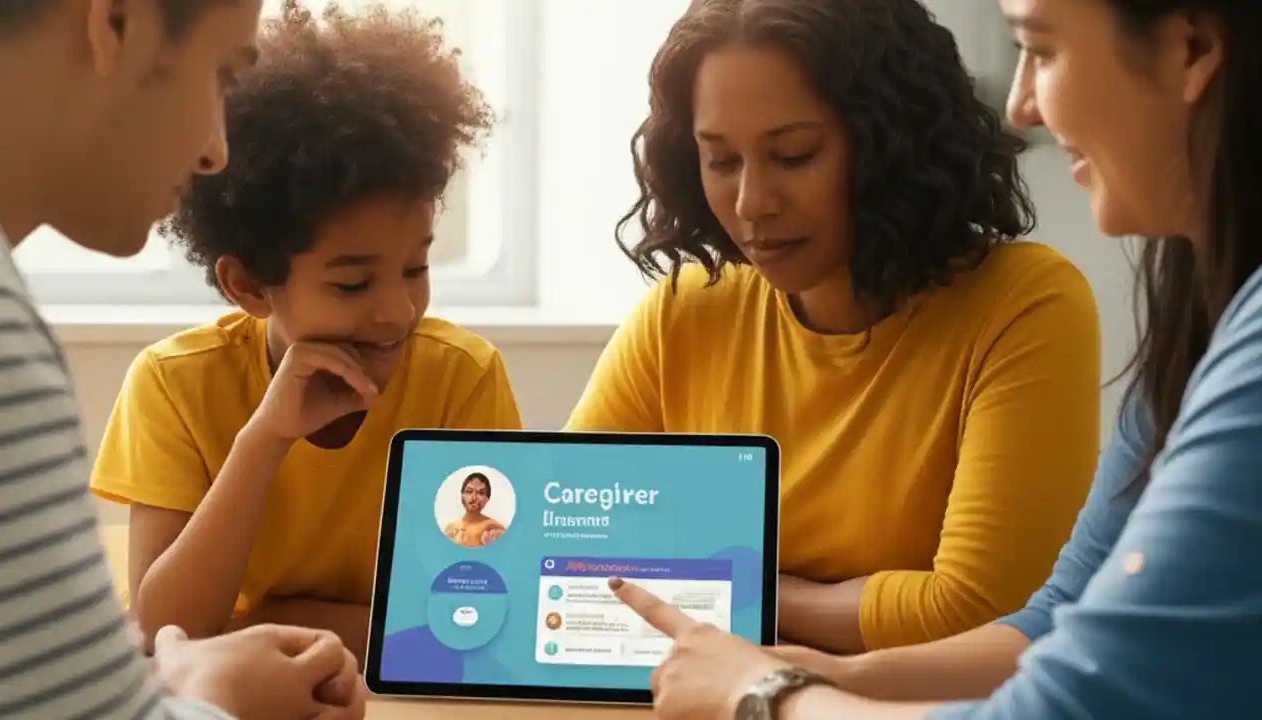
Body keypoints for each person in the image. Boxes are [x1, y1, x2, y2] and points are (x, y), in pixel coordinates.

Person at [610, 0, 1262, 717]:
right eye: (721, 159)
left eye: (1042, 50)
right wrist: (830, 674)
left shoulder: (1039, 304)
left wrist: (766, 692)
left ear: (1191, 50)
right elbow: (1055, 626)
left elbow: (1060, 693)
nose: (1021, 104)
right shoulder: (1201, 326)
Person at [567, 0, 1101, 653]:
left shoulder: (1025, 304)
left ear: (891, 145)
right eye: (722, 161)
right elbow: (567, 551)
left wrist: (727, 588)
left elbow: (980, 612)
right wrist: (823, 604)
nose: (752, 203)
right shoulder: (684, 312)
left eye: (794, 155)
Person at [88, 0, 522, 664]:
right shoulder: (173, 384)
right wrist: (265, 438)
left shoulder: (461, 377)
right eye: (353, 284)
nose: (399, 311)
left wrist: (269, 620)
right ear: (249, 286)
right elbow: (163, 632)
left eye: (415, 268)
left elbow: (475, 621)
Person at [0, 0, 364, 718]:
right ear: (115, 22)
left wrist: (175, 682)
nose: (215, 152)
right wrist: (217, 695)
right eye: (221, 74)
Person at [444, 472, 508, 547]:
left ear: (487, 498)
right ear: (462, 495)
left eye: (481, 493)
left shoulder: (493, 527)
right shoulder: (451, 528)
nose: (474, 498)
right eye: (469, 491)